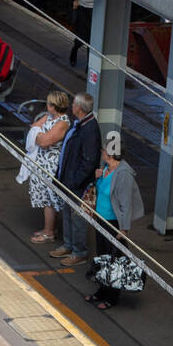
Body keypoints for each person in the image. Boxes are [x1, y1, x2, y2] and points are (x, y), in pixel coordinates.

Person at [87, 143, 146, 310]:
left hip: (113, 223)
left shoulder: (123, 174)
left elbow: (126, 204)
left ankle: (112, 296)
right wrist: (97, 177)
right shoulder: (105, 168)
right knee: (103, 256)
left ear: (112, 154)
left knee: (114, 260)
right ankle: (102, 289)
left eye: (104, 150)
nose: (102, 151)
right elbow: (99, 191)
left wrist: (124, 229)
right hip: (101, 219)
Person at [51, 94, 103, 267]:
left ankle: (79, 252)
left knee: (77, 218)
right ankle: (68, 245)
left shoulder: (89, 129)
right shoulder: (81, 125)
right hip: (69, 180)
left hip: (78, 184)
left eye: (73, 104)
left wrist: (74, 181)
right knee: (67, 213)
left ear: (79, 108)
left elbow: (89, 161)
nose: (71, 106)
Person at [17, 90, 71, 245]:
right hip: (42, 162)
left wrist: (38, 133)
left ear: (54, 106)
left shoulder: (62, 123)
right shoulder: (49, 117)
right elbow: (34, 126)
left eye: (48, 103)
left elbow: (44, 141)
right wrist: (38, 132)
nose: (46, 106)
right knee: (44, 196)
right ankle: (48, 228)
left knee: (49, 199)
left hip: (51, 165)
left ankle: (49, 233)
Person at [68, 0, 94, 67]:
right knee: (81, 37)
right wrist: (74, 0)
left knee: (91, 40)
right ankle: (75, 49)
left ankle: (89, 65)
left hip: (96, 8)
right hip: (82, 8)